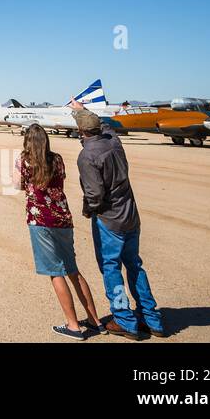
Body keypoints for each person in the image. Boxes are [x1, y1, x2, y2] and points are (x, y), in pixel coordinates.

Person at [72, 105, 165, 339]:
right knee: (135, 265)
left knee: (111, 268)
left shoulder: (87, 156)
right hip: (130, 214)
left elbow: (94, 195)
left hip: (109, 219)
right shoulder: (114, 142)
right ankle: (151, 318)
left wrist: (87, 211)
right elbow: (107, 127)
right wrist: (83, 109)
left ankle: (125, 320)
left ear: (81, 130)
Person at [15, 124, 103, 339]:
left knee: (55, 272)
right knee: (73, 270)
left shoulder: (24, 160)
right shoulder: (57, 159)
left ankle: (73, 325)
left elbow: (17, 185)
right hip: (62, 218)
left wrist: (19, 171)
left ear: (27, 141)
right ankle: (95, 320)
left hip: (40, 220)